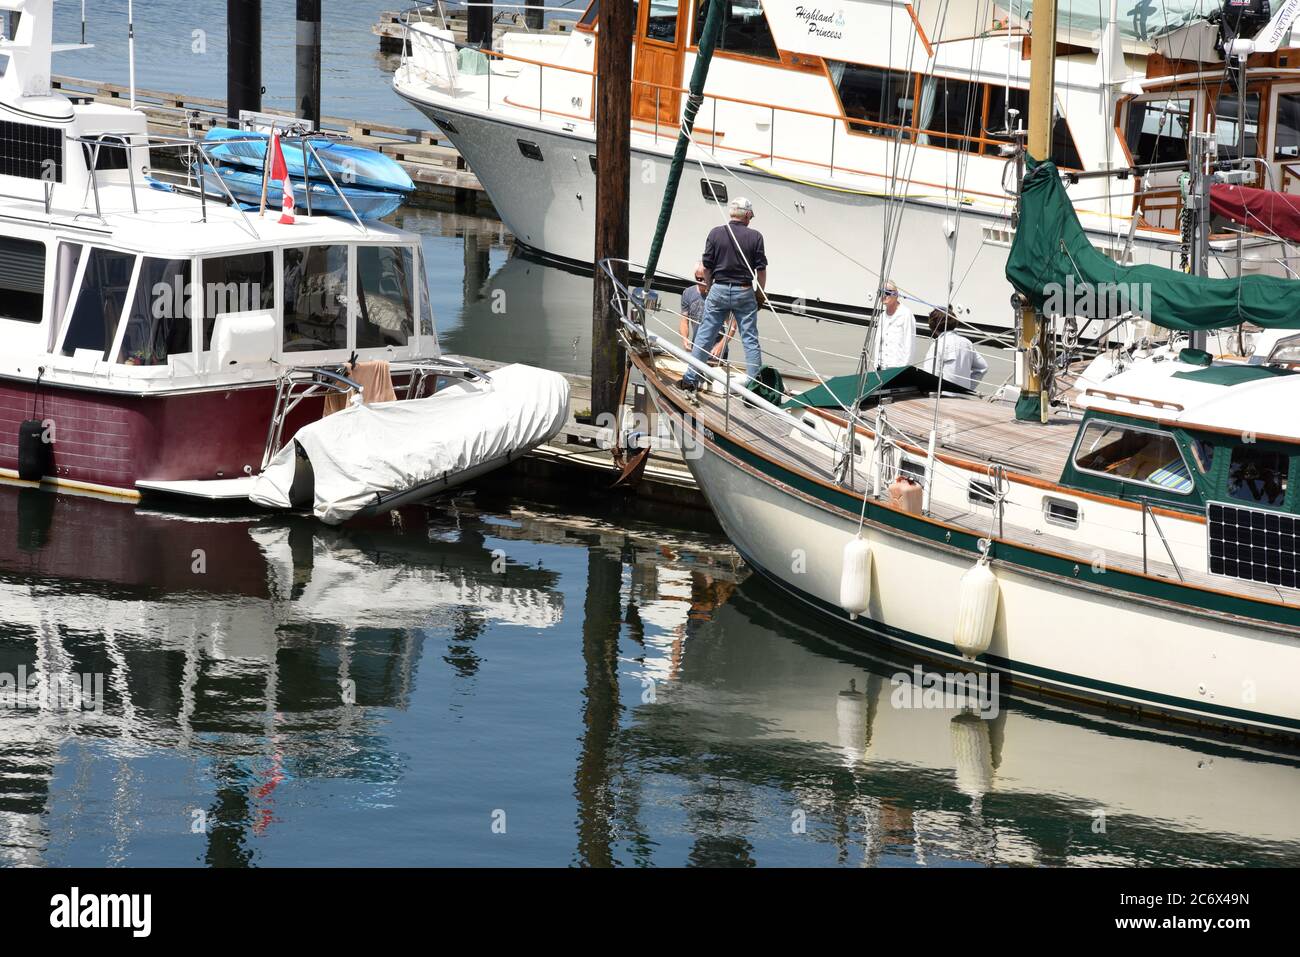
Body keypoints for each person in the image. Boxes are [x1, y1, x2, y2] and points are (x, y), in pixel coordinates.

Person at [679, 197, 767, 391]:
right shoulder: (756, 237)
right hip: (744, 290)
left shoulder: (716, 233)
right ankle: (754, 386)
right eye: (750, 215)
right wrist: (759, 295)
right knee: (750, 338)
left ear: (731, 213)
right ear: (747, 215)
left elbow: (707, 267)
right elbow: (760, 271)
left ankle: (690, 378)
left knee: (705, 333)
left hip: (718, 288)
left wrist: (710, 287)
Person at [679, 263, 734, 362]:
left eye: (705, 279)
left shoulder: (721, 296)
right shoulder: (687, 293)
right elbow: (684, 321)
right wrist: (685, 338)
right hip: (696, 348)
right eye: (698, 279)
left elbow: (732, 327)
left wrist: (720, 346)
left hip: (716, 351)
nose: (702, 282)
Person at [923, 307, 989, 391]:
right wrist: (967, 388)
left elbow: (930, 376)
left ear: (932, 326)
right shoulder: (967, 343)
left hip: (943, 396)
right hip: (962, 395)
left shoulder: (938, 344)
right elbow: (983, 367)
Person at [874, 280, 916, 370]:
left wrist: (904, 370)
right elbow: (878, 343)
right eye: (880, 292)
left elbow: (910, 345)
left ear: (896, 294)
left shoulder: (906, 314)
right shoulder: (882, 316)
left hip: (897, 369)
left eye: (887, 292)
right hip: (881, 368)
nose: (883, 295)